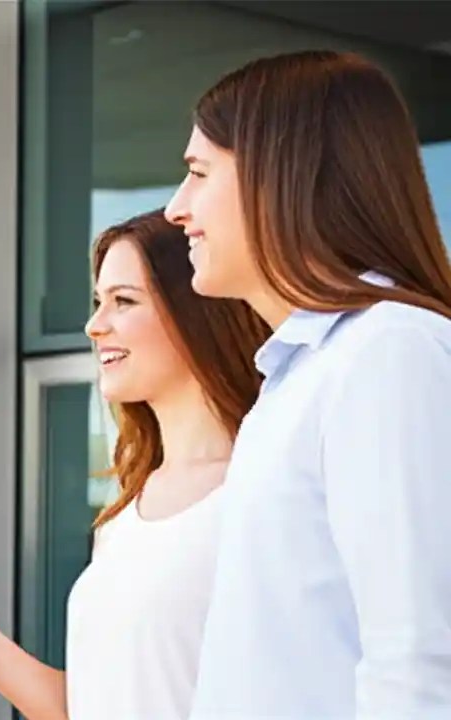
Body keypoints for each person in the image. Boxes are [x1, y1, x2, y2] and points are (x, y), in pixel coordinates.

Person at [165, 49, 451, 718]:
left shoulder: (391, 350)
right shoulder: (304, 372)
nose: (177, 209)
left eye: (198, 174)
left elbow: (421, 657)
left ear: (279, 175)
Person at [0, 209, 269, 719]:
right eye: (99, 302)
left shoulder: (259, 492)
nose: (95, 326)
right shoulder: (125, 512)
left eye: (124, 301)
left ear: (197, 313)